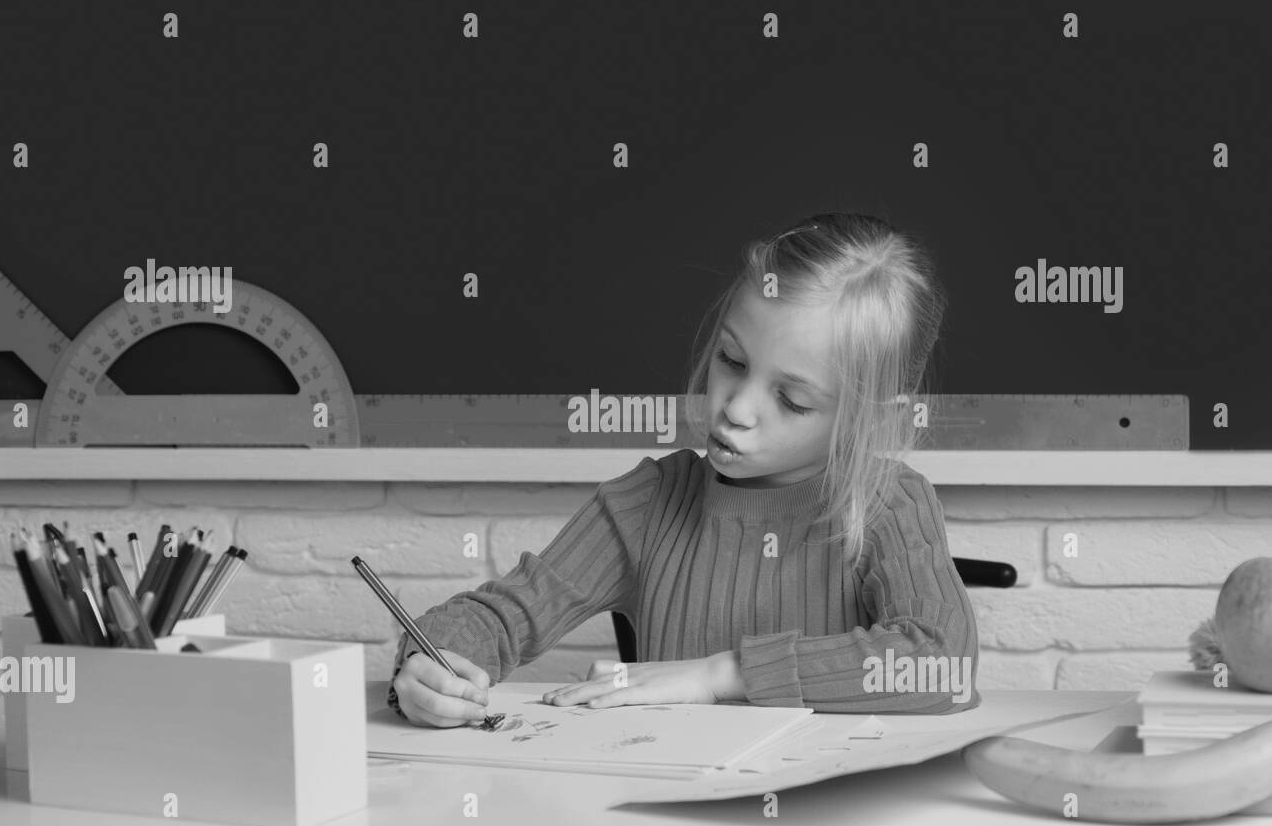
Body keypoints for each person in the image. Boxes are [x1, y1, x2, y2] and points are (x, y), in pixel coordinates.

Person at [389, 212, 979, 727]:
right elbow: (500, 617)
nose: (736, 408)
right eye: (731, 359)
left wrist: (718, 675)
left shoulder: (890, 504)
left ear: (868, 419)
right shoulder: (650, 502)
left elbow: (942, 666)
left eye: (792, 400)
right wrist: (427, 666)